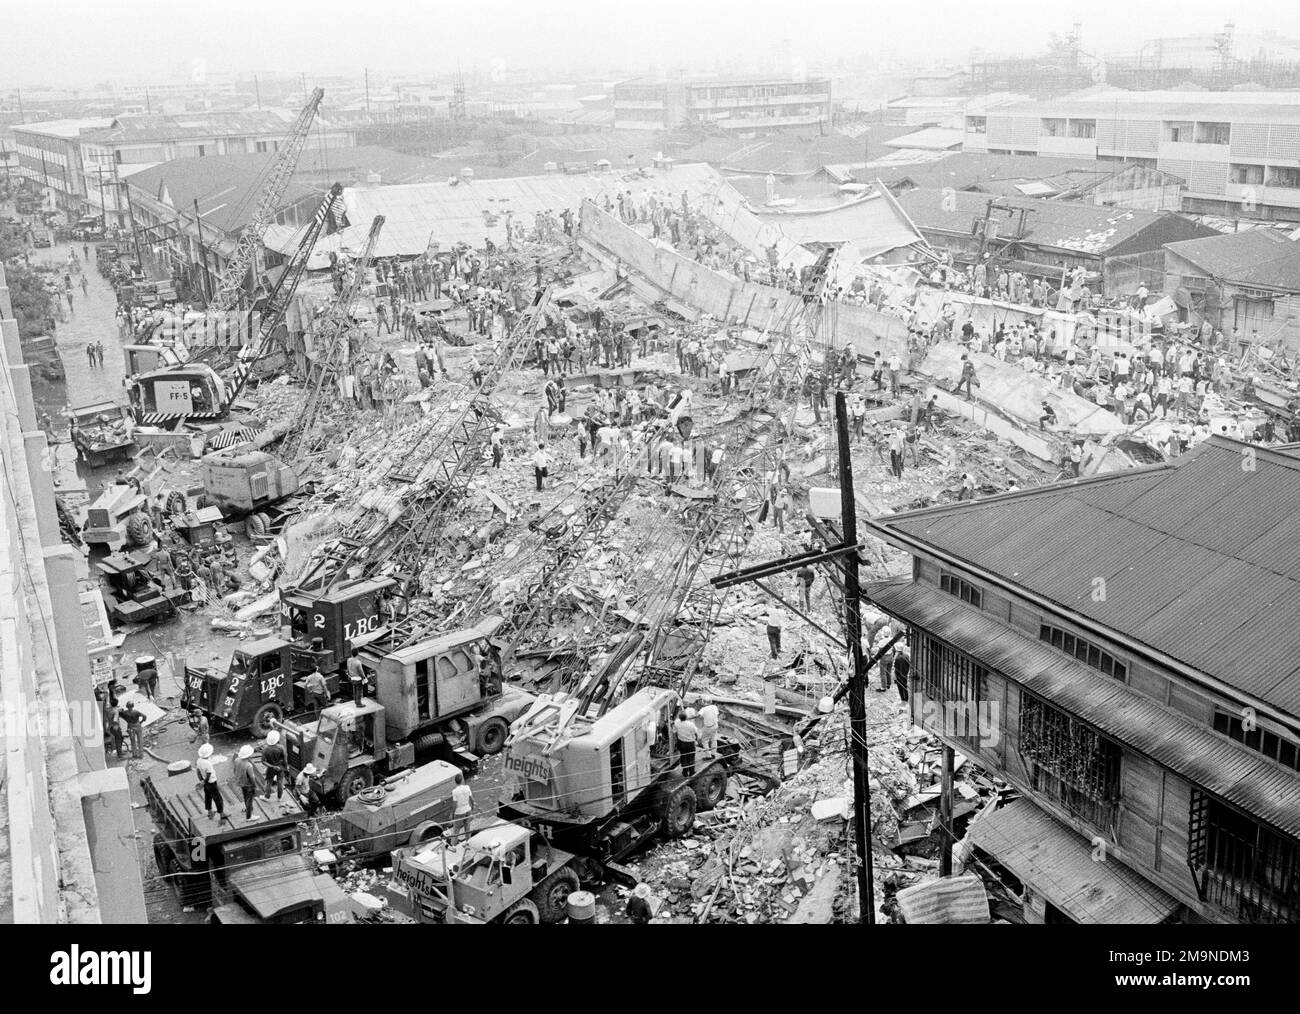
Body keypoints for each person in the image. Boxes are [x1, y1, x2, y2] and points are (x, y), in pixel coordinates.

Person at [233, 744, 265, 819]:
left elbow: (234, 770)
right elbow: (252, 777)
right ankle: (249, 816)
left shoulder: (236, 760)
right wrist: (254, 786)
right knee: (250, 799)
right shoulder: (248, 765)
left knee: (245, 796)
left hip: (240, 782)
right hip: (248, 785)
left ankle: (247, 808)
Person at [196, 743, 226, 821]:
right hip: (211, 782)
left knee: (208, 797)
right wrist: (205, 781)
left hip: (205, 782)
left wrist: (202, 781)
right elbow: (208, 774)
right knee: (218, 798)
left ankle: (210, 811)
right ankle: (222, 814)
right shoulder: (208, 764)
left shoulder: (199, 761)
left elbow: (198, 771)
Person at [261, 731, 288, 802]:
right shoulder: (281, 748)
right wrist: (286, 767)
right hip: (280, 767)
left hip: (271, 768)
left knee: (269, 782)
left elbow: (263, 761)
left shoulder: (265, 749)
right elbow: (285, 759)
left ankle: (266, 797)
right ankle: (279, 798)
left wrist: (272, 766)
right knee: (280, 782)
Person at [674, 708, 698, 776]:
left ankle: (684, 772)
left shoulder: (677, 723)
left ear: (679, 717)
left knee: (683, 756)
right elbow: (696, 733)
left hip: (681, 743)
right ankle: (691, 772)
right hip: (690, 743)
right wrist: (696, 739)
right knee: (691, 757)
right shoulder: (690, 724)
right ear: (686, 717)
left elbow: (674, 730)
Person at [451, 772, 473, 842]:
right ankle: (468, 843)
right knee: (467, 828)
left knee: (456, 829)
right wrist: (472, 807)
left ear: (455, 782)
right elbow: (472, 799)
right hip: (468, 810)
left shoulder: (454, 791)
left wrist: (452, 814)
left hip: (459, 812)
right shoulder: (467, 787)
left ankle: (453, 846)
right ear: (462, 780)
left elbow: (454, 804)